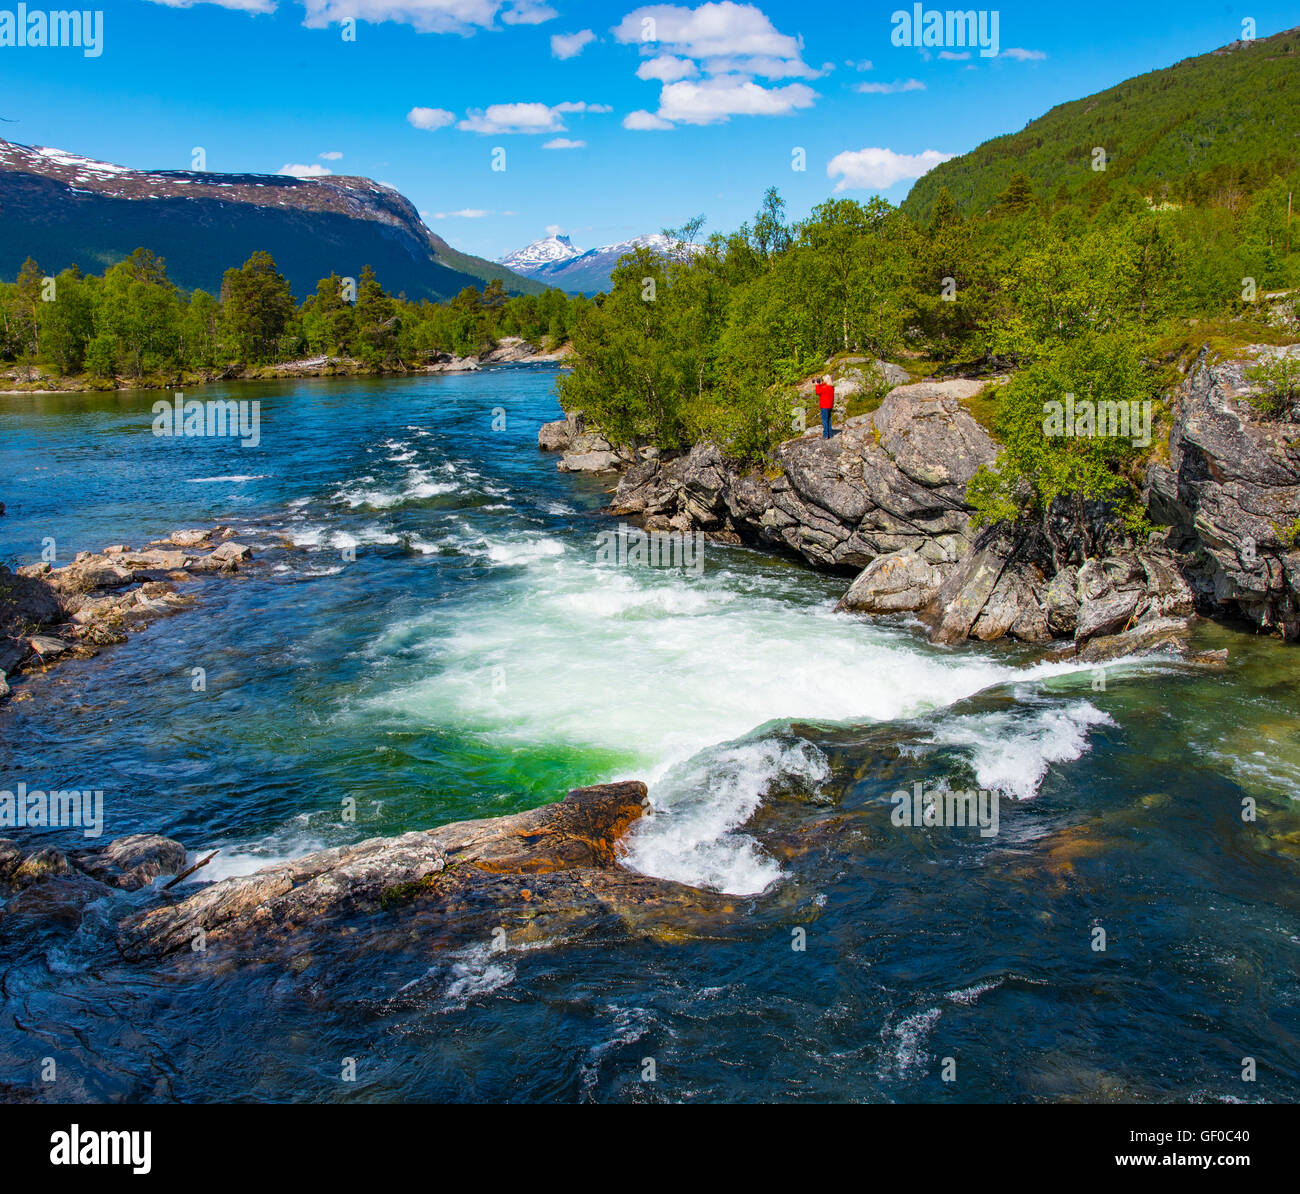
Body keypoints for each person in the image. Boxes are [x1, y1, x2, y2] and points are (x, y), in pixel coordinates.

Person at [814, 374, 835, 438]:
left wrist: (817, 385)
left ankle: (825, 435)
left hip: (824, 406)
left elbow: (818, 392)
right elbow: (824, 386)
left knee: (824, 421)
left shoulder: (825, 388)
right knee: (829, 420)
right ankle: (830, 434)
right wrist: (820, 384)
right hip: (829, 406)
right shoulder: (831, 387)